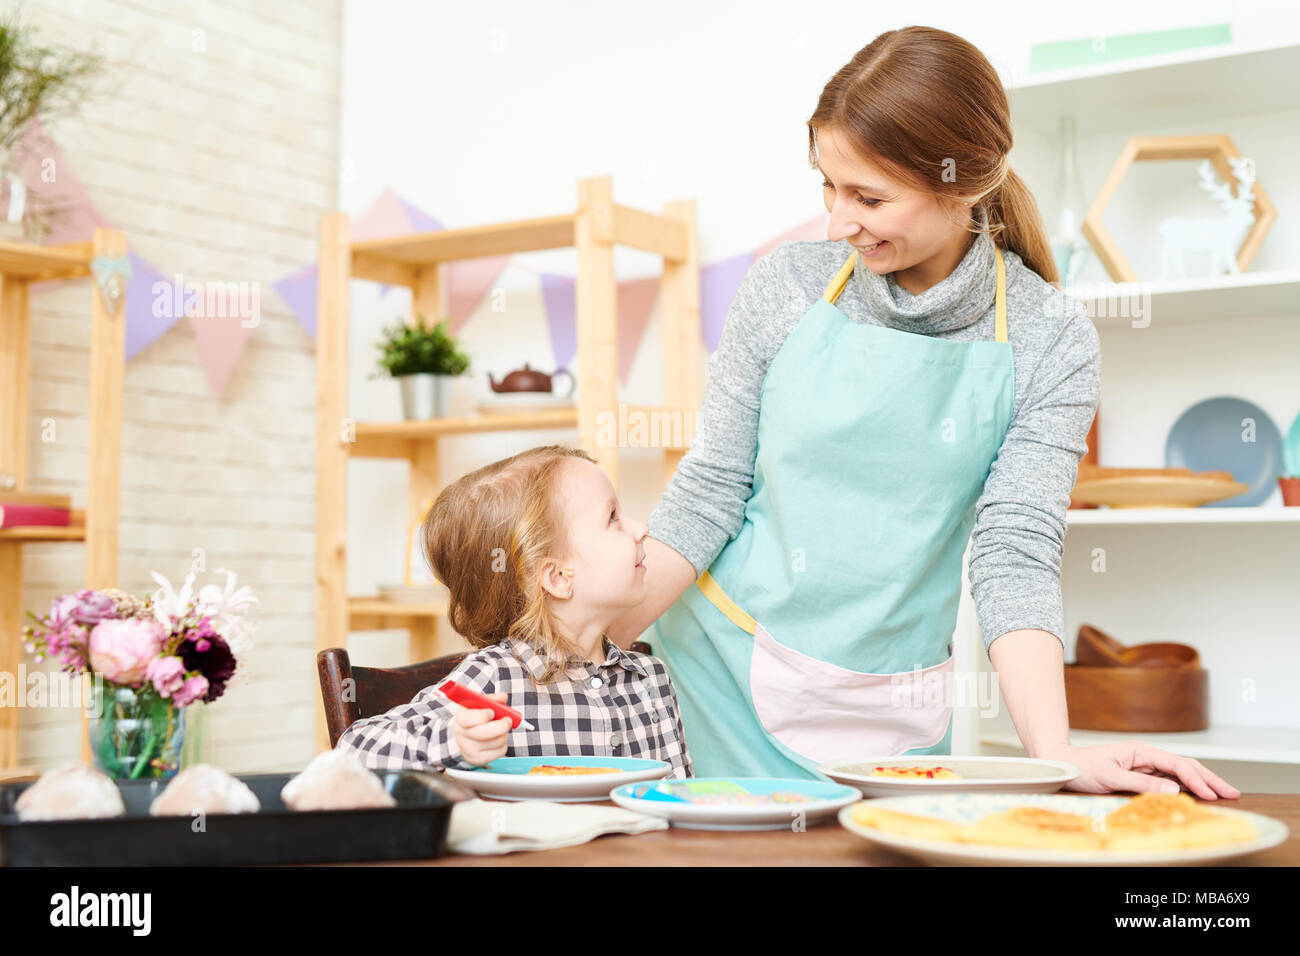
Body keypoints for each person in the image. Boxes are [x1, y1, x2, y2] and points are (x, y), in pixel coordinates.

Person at [609, 25, 1238, 800]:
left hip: (891, 710)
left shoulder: (1050, 337)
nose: (838, 223)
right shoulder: (789, 287)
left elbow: (1014, 553)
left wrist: (1057, 751)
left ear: (962, 183)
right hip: (716, 678)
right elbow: (710, 489)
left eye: (869, 197)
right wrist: (570, 646)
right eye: (827, 187)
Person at [337, 445, 693, 778]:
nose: (642, 529)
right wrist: (454, 740)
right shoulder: (495, 679)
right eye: (613, 517)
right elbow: (351, 752)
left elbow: (681, 804)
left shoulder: (652, 679)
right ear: (556, 577)